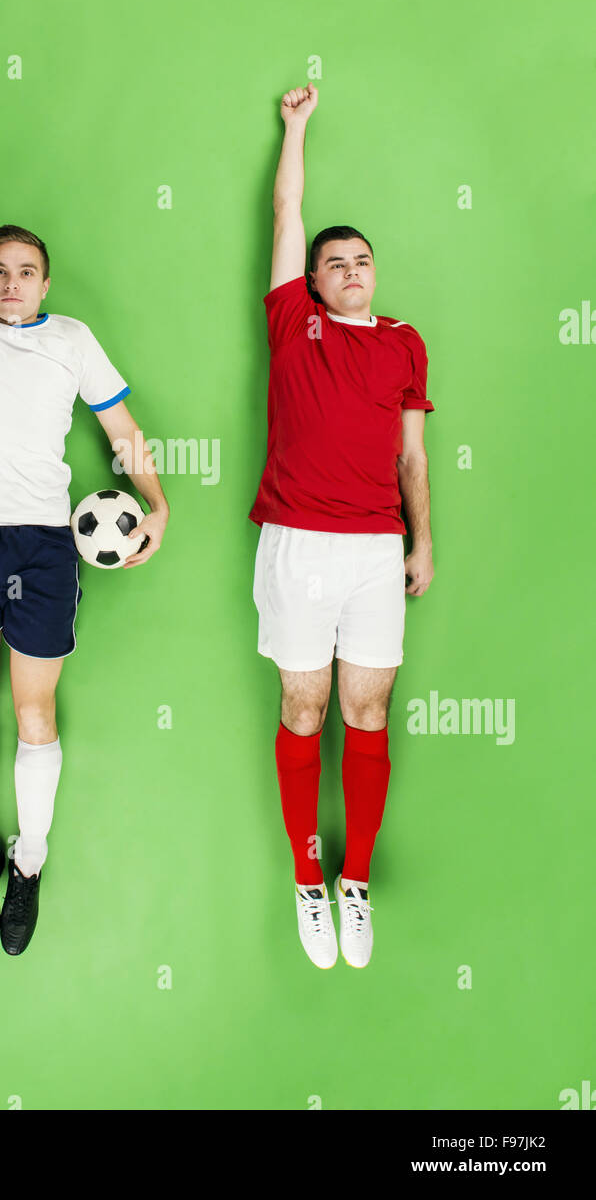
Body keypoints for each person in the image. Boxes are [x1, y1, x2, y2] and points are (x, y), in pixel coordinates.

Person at [0, 102, 170, 956]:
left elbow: (120, 428)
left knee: (33, 719)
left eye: (26, 270)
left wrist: (158, 500)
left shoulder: (69, 340)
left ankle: (26, 863)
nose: (10, 282)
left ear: (46, 283)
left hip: (40, 546)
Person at [249, 84, 435, 969]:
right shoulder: (295, 323)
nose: (353, 268)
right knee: (304, 704)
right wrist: (296, 127)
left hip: (373, 549)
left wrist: (421, 538)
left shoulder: (405, 343)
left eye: (363, 259)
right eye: (337, 262)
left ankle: (354, 882)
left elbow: (413, 457)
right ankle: (306, 878)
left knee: (366, 710)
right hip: (296, 542)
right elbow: (287, 208)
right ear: (314, 281)